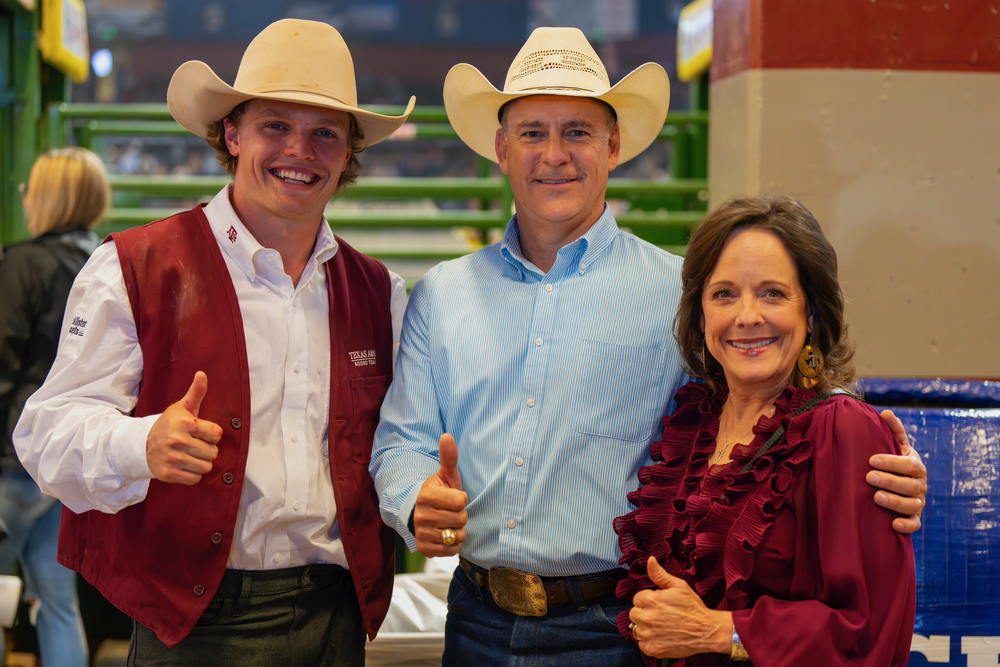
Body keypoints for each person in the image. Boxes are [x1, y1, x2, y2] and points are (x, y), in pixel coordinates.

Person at [370, 27, 926, 667]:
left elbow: (777, 405)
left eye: (578, 132)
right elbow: (401, 443)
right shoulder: (442, 294)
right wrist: (416, 499)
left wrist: (886, 467)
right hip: (475, 619)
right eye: (532, 132)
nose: (555, 154)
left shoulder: (683, 295)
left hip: (618, 626)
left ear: (613, 146)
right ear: (502, 148)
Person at [14, 19, 413, 666]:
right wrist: (143, 443)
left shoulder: (378, 290)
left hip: (336, 618)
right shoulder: (133, 266)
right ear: (232, 133)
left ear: (347, 154)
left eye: (325, 133)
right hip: (192, 624)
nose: (300, 150)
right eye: (275, 125)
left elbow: (393, 445)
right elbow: (45, 434)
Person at [614, 194, 917, 665]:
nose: (747, 316)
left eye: (773, 293)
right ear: (701, 315)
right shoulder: (692, 423)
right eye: (724, 294)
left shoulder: (842, 431)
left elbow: (869, 629)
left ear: (810, 313)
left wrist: (721, 632)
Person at [0, 146, 109, 667]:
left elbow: (3, 362)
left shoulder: (22, 263)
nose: (23, 197)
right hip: (70, 459)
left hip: (14, 457)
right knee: (58, 601)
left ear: (47, 196)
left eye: (30, 188)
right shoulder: (108, 262)